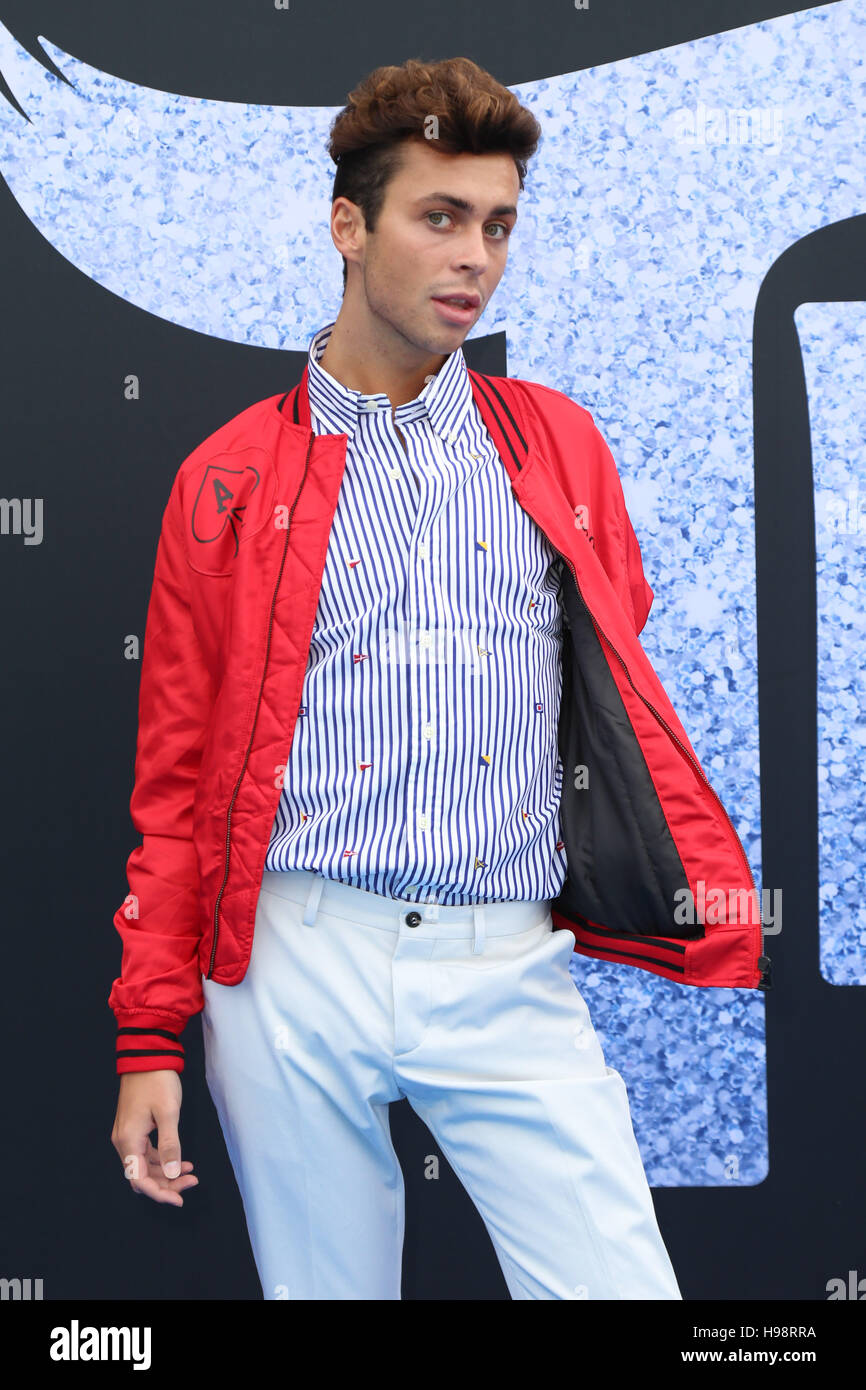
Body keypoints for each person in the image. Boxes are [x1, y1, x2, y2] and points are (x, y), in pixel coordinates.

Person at [110, 55, 766, 1300]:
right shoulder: (225, 478)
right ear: (349, 227)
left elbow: (604, 694)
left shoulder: (559, 446)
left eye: (498, 225)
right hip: (292, 966)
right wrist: (150, 1036)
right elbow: (176, 781)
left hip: (501, 961)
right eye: (440, 217)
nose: (475, 256)